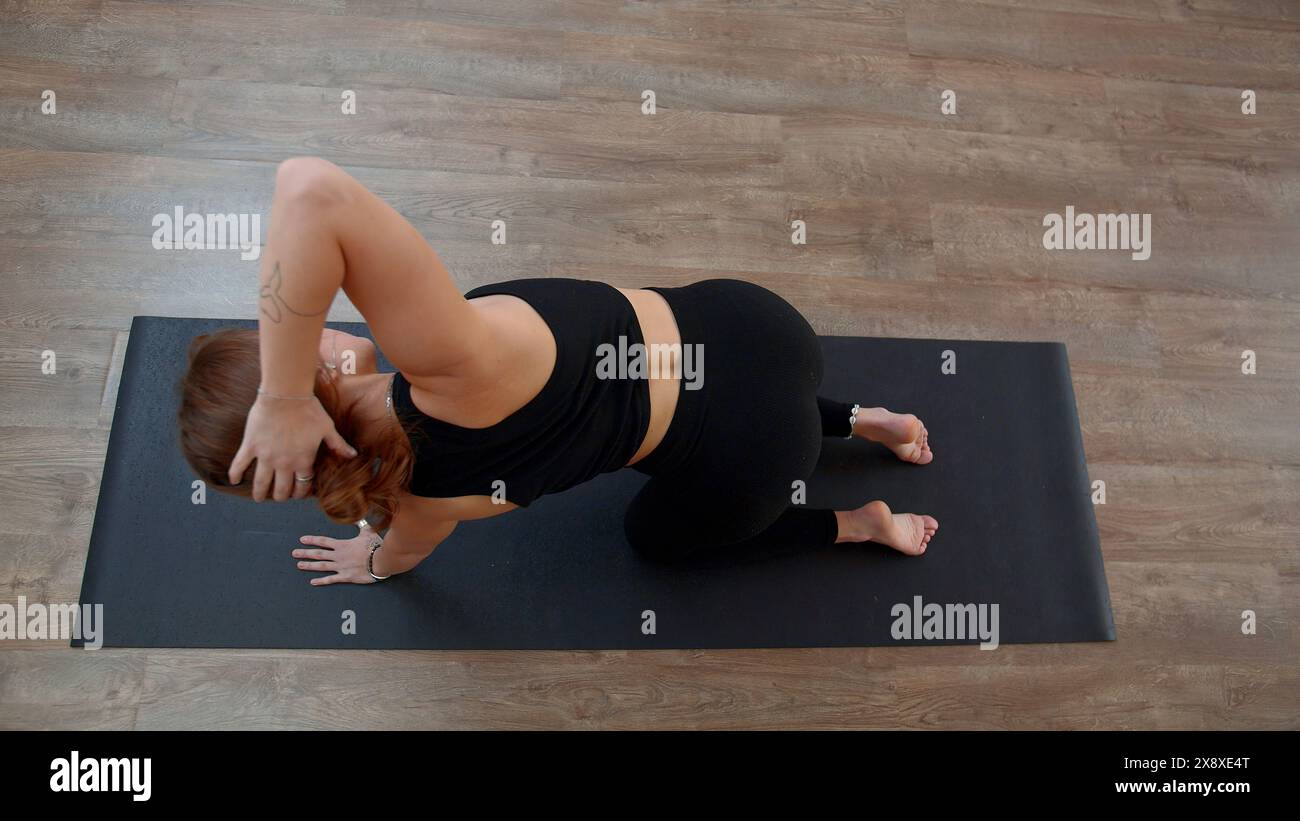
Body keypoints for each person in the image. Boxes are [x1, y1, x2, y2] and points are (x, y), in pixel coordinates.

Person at [178, 158, 937, 586]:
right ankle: (869, 421)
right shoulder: (446, 356)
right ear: (319, 360)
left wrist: (370, 561)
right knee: (713, 398)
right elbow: (309, 191)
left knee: (658, 537)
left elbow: (396, 555)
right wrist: (279, 393)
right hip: (759, 326)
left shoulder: (413, 504)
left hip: (762, 452)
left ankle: (857, 522)